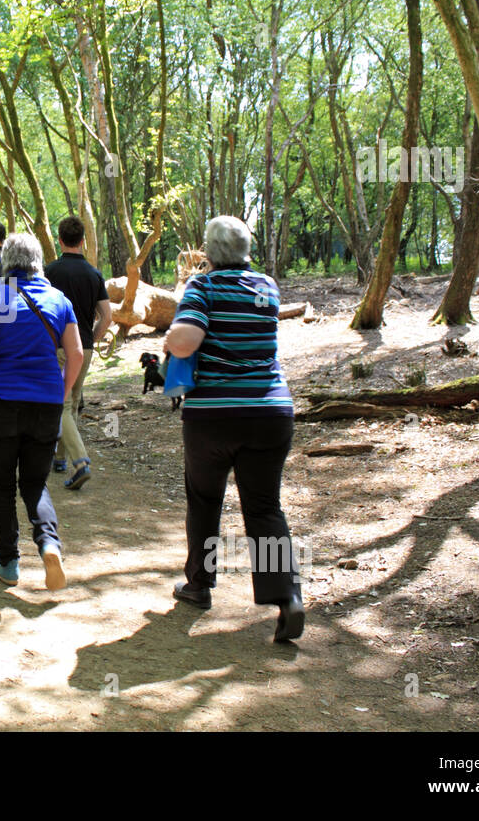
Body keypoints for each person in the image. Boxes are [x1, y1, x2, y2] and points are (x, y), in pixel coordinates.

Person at [164, 215, 304, 643]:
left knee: (205, 499)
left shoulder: (203, 287)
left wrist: (170, 337)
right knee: (264, 508)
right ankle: (287, 598)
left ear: (209, 252)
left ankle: (199, 585)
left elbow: (186, 341)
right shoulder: (267, 286)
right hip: (271, 411)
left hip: (214, 415)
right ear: (247, 249)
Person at [0, 232, 82, 590]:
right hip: (46, 402)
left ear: (6, 262)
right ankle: (49, 544)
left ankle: (8, 563)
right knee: (35, 483)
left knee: (3, 484)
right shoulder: (59, 300)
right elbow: (76, 354)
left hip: (3, 400)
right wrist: (62, 390)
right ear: (38, 262)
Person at [45, 216, 112, 490]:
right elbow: (106, 317)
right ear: (83, 241)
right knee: (71, 402)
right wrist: (90, 340)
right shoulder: (94, 274)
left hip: (59, 347)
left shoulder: (50, 272)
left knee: (61, 404)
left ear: (59, 240)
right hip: (83, 347)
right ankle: (60, 459)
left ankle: (80, 462)